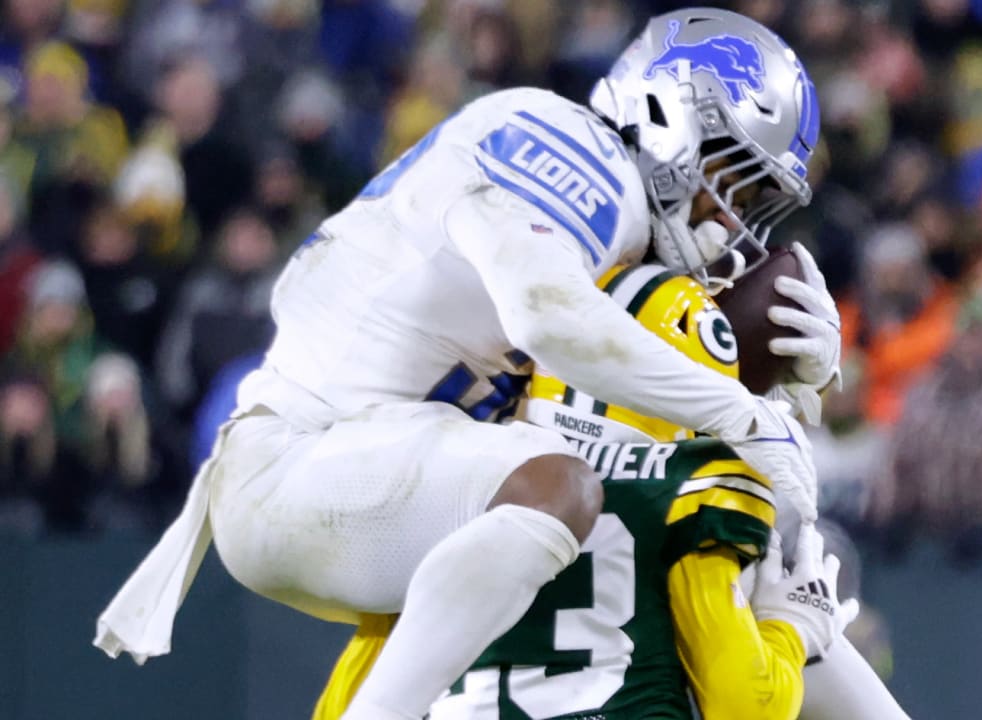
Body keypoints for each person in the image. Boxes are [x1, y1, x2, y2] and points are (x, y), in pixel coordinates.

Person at [93, 9, 841, 720]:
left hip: (362, 468)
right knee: (555, 488)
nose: (733, 224)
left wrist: (800, 375)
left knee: (528, 521)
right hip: (302, 456)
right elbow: (547, 316)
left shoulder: (610, 240)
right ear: (670, 121)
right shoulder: (576, 148)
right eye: (733, 183)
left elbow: (624, 350)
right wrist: (741, 415)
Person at [311, 264, 889, 720]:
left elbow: (349, 705)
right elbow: (745, 704)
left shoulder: (447, 470)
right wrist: (795, 629)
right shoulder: (696, 481)